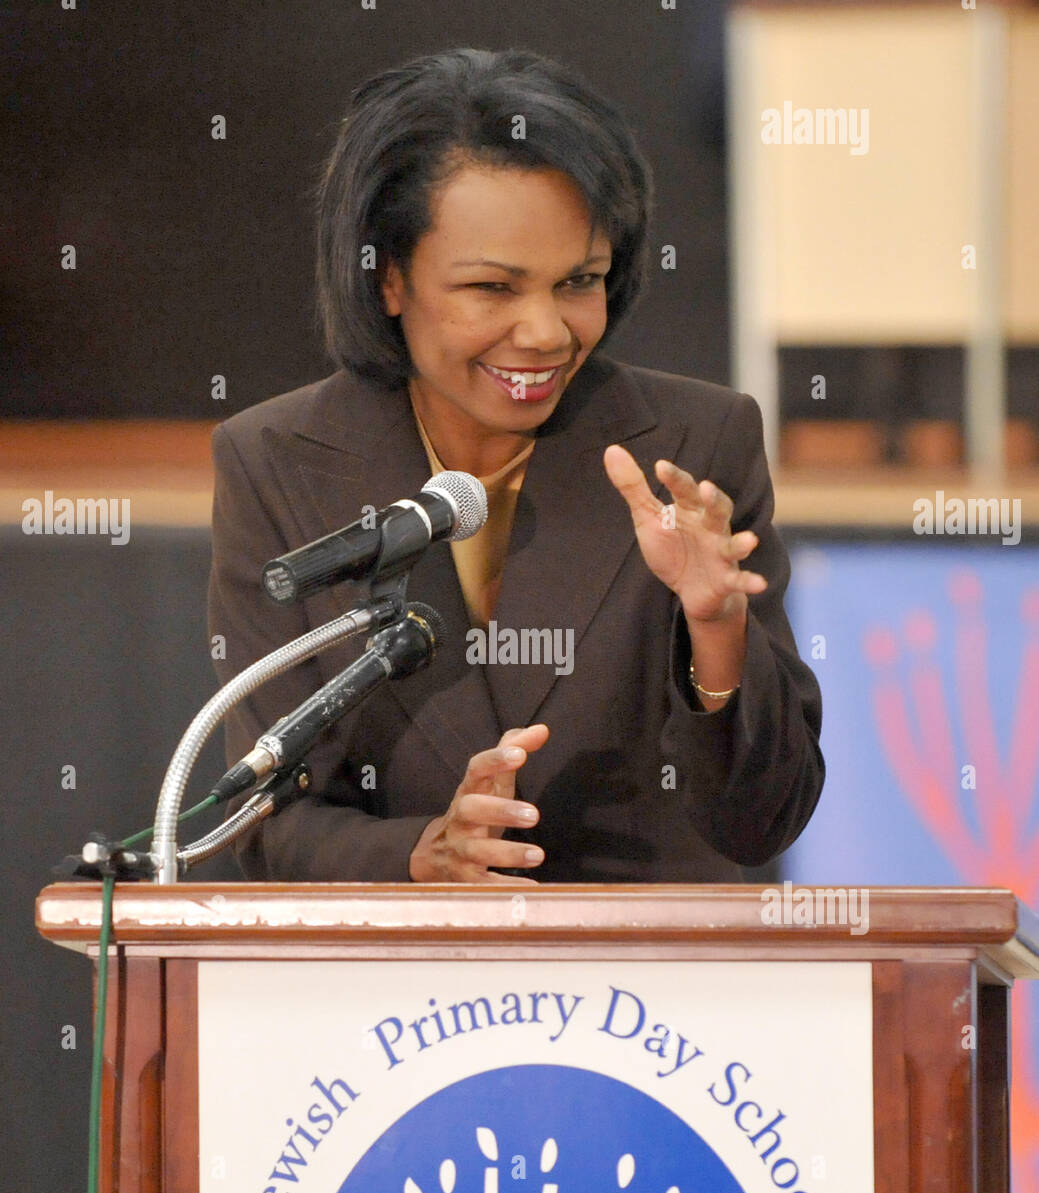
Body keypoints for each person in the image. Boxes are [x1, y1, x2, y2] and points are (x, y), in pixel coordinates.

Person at [207, 46, 824, 885]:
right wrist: (423, 856)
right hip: (398, 998)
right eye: (492, 289)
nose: (544, 332)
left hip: (659, 992)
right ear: (389, 278)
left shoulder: (694, 444)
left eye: (579, 281)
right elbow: (267, 817)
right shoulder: (275, 462)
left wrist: (717, 630)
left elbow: (763, 820)